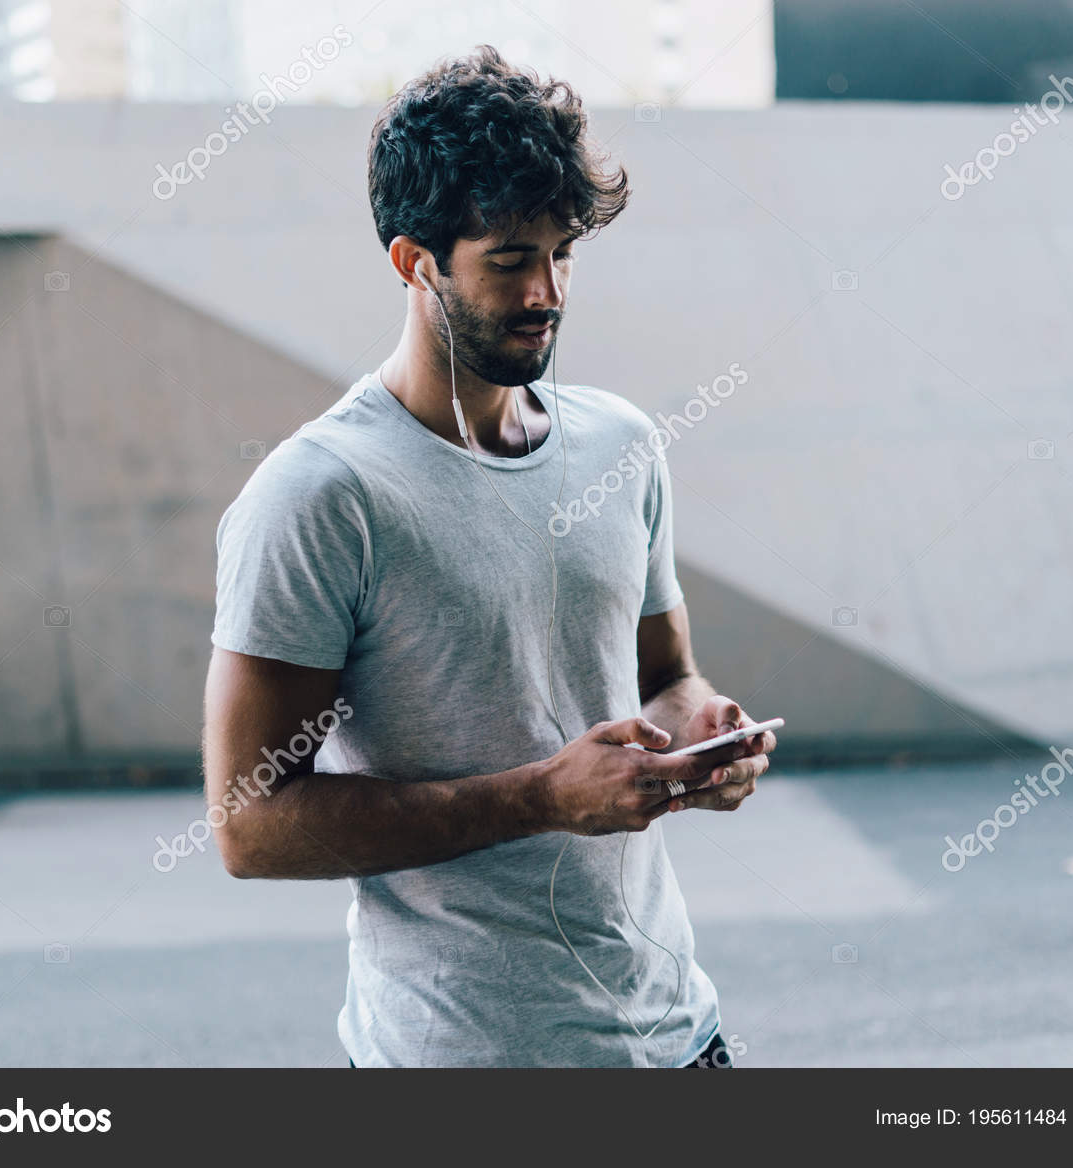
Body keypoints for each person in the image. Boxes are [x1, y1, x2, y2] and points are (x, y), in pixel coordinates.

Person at [203, 44, 776, 1068]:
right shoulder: (321, 495)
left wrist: (699, 732)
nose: (547, 289)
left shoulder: (620, 445)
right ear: (415, 261)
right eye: (509, 259)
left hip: (677, 1037)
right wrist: (541, 797)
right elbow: (250, 826)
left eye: (564, 251)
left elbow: (664, 675)